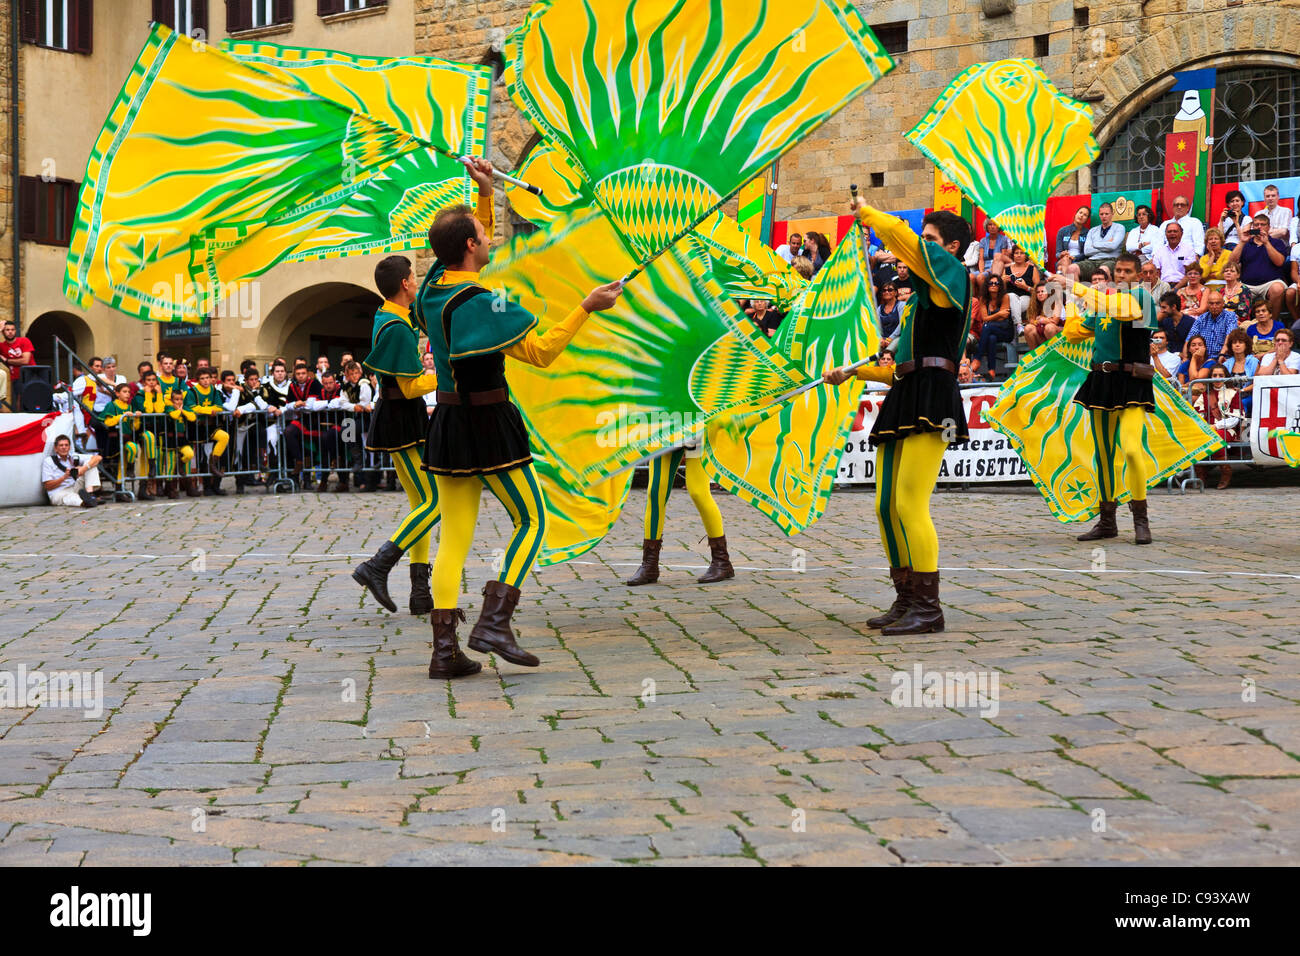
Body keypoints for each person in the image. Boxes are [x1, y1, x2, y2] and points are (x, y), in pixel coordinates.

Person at [416, 158, 624, 677]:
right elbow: (542, 351)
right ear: (470, 246)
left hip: (446, 423)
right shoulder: (484, 303)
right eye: (485, 235)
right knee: (531, 519)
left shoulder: (428, 291)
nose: (489, 240)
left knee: (454, 538)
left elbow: (458, 255)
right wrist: (587, 306)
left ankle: (445, 652)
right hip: (489, 424)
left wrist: (483, 194)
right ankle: (493, 621)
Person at [824, 204, 972, 635]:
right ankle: (906, 597)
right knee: (886, 506)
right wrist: (851, 371)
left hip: (933, 392)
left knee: (910, 502)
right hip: (906, 391)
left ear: (951, 248)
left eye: (930, 240)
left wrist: (873, 215)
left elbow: (906, 245)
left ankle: (929, 608)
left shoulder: (953, 277)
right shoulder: (917, 305)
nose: (920, 247)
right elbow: (895, 367)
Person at [351, 255, 445, 615]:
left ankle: (420, 593)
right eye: (413, 277)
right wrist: (447, 375)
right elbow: (409, 388)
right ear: (405, 283)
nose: (416, 282)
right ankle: (377, 566)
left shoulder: (393, 316)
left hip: (401, 420)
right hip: (401, 420)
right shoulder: (395, 326)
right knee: (433, 503)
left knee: (420, 506)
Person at [1054, 252, 1157, 545]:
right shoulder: (1102, 304)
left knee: (1132, 448)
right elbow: (1073, 333)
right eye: (1118, 271)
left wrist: (1072, 284)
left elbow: (1122, 309)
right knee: (1104, 454)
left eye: (1127, 271)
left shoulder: (1141, 297)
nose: (1121, 275)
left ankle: (1140, 518)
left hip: (1132, 380)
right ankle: (1107, 520)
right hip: (1101, 379)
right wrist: (1073, 301)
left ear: (1138, 275)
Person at [625, 433, 734, 587]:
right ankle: (649, 564)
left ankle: (722, 561)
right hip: (667, 425)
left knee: (698, 491)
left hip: (697, 426)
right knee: (655, 492)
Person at [1229, 211, 1288, 322]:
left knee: (1278, 289)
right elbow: (1231, 263)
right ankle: (1242, 326)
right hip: (1247, 284)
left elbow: (1279, 262)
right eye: (1256, 225)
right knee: (1237, 290)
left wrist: (1266, 243)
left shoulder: (1276, 243)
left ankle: (1272, 323)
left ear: (1268, 227)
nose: (1259, 227)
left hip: (1270, 283)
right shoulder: (1246, 243)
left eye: (1262, 224)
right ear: (1252, 227)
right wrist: (1242, 242)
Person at [1193, 364, 1243, 489]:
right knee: (1192, 440)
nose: (1217, 378)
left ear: (1226, 377)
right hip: (1206, 429)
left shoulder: (1232, 393)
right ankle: (1201, 475)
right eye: (1214, 375)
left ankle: (1225, 471)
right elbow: (1197, 415)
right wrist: (1204, 426)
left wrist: (1216, 426)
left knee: (1216, 437)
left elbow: (1235, 419)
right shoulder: (1204, 395)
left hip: (1227, 429)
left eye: (1221, 375)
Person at [96, 382, 147, 499]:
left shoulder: (130, 407)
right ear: (117, 393)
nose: (127, 394)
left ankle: (127, 473)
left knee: (129, 454)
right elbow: (107, 422)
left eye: (129, 392)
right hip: (115, 439)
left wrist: (136, 418)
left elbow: (134, 427)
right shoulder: (112, 405)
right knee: (122, 461)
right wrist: (121, 416)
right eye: (124, 392)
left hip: (127, 438)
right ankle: (120, 487)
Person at [283, 363, 326, 491]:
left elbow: (312, 405)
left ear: (307, 374)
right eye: (298, 374)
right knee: (288, 432)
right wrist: (295, 405)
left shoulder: (314, 384)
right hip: (301, 420)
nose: (301, 376)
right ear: (294, 375)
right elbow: (288, 404)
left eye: (303, 373)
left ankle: (308, 480)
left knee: (310, 449)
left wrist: (300, 405)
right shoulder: (292, 386)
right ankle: (299, 462)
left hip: (315, 421)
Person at [335, 361, 374, 494]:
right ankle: (357, 460)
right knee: (347, 431)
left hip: (367, 418)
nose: (355, 376)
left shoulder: (364, 384)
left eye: (356, 373)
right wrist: (353, 407)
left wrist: (358, 406)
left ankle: (360, 462)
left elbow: (365, 402)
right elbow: (342, 403)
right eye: (351, 374)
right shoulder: (346, 387)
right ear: (347, 375)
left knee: (349, 429)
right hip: (356, 417)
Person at [233, 368, 271, 495]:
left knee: (259, 434)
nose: (254, 382)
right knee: (240, 454)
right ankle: (240, 483)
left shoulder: (263, 390)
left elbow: (263, 403)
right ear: (246, 380)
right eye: (251, 380)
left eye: (256, 379)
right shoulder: (240, 390)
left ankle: (260, 462)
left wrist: (256, 393)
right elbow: (243, 403)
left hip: (254, 424)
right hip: (241, 425)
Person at [42, 435, 103, 508]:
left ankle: (90, 495)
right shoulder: (49, 461)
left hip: (74, 487)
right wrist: (64, 477)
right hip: (59, 492)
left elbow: (98, 457)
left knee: (91, 466)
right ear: (56, 448)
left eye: (66, 445)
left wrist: (83, 468)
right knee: (70, 497)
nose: (64, 447)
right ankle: (84, 503)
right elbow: (47, 486)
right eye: (61, 445)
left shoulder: (74, 457)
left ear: (69, 447)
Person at [975, 275, 1014, 380]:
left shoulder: (1005, 297)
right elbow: (984, 318)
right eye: (991, 283)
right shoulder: (983, 299)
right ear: (987, 285)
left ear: (1000, 286)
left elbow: (1004, 317)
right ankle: (991, 370)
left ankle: (977, 358)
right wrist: (999, 314)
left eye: (996, 283)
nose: (993, 285)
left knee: (987, 327)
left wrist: (990, 318)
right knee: (991, 338)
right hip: (992, 331)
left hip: (1006, 331)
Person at [1186, 290, 1238, 365]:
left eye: (1217, 303)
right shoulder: (1202, 318)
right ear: (1207, 304)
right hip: (1203, 359)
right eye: (1211, 303)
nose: (1214, 306)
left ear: (1223, 303)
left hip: (1224, 359)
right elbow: (1189, 339)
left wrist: (1222, 354)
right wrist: (1185, 357)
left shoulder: (1230, 316)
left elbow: (1229, 337)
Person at [998, 244, 1040, 334]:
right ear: (1013, 255)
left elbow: (1039, 291)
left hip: (1026, 297)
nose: (1019, 255)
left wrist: (1025, 287)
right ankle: (1019, 324)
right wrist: (1003, 282)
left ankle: (1015, 326)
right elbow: (1001, 291)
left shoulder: (1032, 269)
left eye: (1022, 253)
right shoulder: (1007, 269)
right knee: (1012, 296)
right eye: (1016, 253)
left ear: (1026, 255)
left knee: (1016, 304)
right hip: (1009, 298)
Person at [1080, 202, 1126, 280]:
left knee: (1102, 271)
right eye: (1101, 214)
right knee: (1072, 269)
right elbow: (1087, 251)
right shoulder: (1092, 230)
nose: (1104, 216)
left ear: (1112, 213)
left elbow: (1112, 246)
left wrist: (1094, 244)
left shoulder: (1119, 228)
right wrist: (1107, 244)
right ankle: (1070, 292)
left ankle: (1106, 292)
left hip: (1110, 260)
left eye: (1106, 214)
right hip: (1092, 260)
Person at [1220, 328, 1258, 419]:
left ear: (1246, 345)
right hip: (1230, 395)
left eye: (1240, 342)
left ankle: (1240, 431)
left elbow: (1257, 382)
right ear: (1231, 346)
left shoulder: (1254, 361)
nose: (1237, 345)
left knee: (1241, 404)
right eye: (1234, 343)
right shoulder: (1226, 364)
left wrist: (1242, 391)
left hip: (1248, 395)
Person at [1151, 221, 1198, 285]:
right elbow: (1157, 274)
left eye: (1175, 231)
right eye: (1169, 231)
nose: (1172, 233)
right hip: (1163, 286)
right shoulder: (1159, 251)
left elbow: (1189, 273)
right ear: (1165, 234)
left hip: (1182, 286)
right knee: (1140, 288)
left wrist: (1176, 289)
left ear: (1181, 234)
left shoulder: (1189, 250)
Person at [1, 321, 34, 409]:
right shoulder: (2, 346)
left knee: (29, 399)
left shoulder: (24, 341)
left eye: (12, 329)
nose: (10, 332)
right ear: (3, 332)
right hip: (16, 377)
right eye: (7, 330)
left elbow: (25, 360)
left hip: (30, 374)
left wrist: (7, 360)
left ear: (15, 331)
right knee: (20, 400)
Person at [974, 218, 1011, 293]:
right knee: (970, 276)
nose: (992, 227)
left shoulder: (1003, 239)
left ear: (998, 227)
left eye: (994, 224)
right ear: (986, 227)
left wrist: (990, 270)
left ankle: (985, 296)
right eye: (990, 225)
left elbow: (1002, 258)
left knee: (980, 277)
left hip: (996, 267)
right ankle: (973, 299)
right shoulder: (983, 241)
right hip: (984, 268)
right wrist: (982, 271)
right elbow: (981, 259)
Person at [1054, 205, 1090, 280]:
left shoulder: (1088, 233)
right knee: (1065, 259)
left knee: (1061, 267)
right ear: (1076, 214)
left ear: (1087, 219)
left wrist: (1074, 257)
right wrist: (1061, 254)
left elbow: (1086, 253)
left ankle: (1067, 287)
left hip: (1079, 261)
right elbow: (1057, 253)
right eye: (1080, 213)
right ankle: (1071, 288)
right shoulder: (1063, 231)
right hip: (1063, 259)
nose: (1081, 216)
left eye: (1085, 215)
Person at [1024, 282, 1062, 350]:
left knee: (1049, 327)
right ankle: (1036, 356)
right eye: (1038, 292)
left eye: (1043, 291)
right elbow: (1031, 320)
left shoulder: (1056, 302)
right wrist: (1037, 322)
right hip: (1042, 333)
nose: (1040, 294)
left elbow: (1055, 321)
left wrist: (1043, 320)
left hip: (1059, 334)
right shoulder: (1034, 304)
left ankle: (1057, 354)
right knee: (1028, 328)